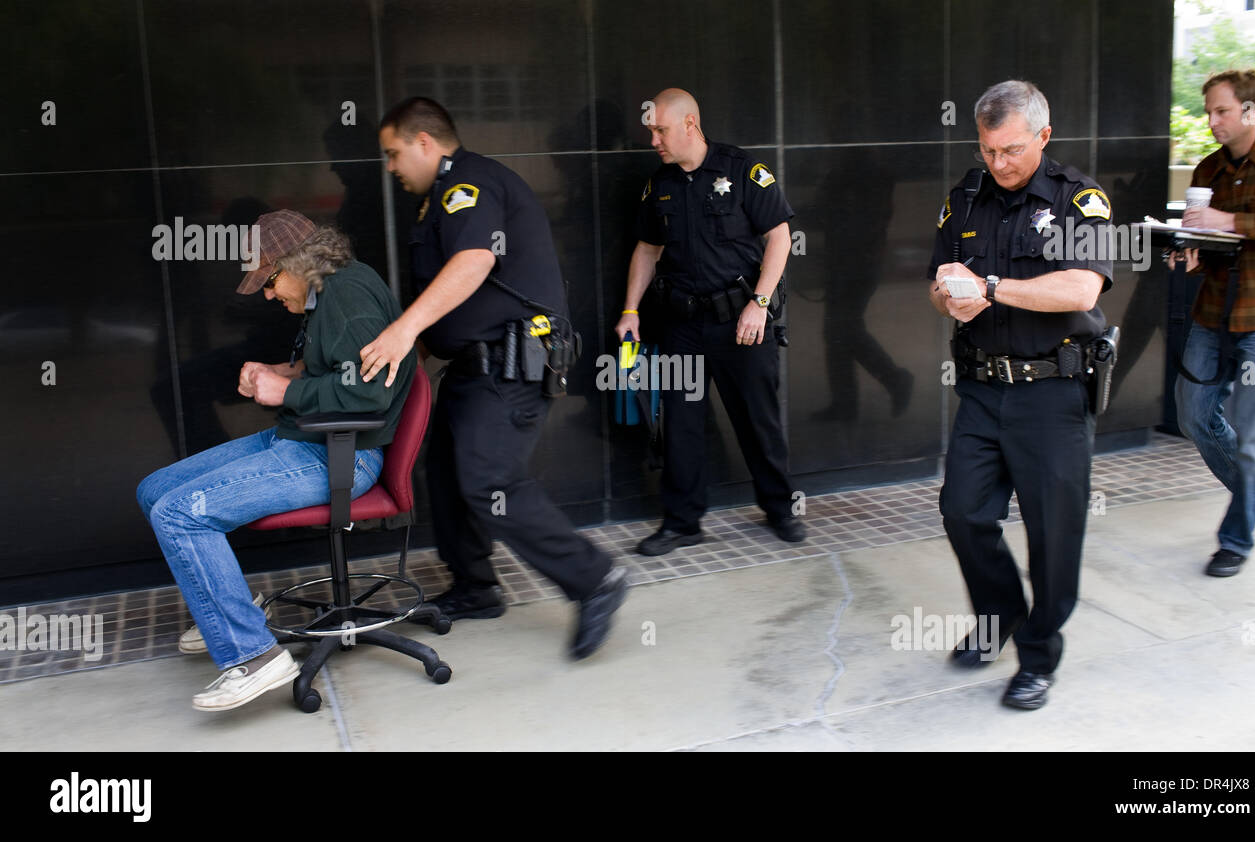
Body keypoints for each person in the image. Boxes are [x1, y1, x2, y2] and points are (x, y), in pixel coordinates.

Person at [361, 96, 625, 660]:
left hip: (513, 362)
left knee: (490, 480)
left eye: (393, 153)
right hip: (474, 366)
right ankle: (477, 587)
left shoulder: (469, 185)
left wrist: (403, 331)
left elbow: (474, 263)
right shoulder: (437, 202)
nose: (390, 168)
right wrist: (401, 355)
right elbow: (456, 302)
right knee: (449, 475)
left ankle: (594, 578)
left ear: (425, 142)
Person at [136, 210, 412, 711]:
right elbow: (333, 366)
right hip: (302, 438)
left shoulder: (348, 297)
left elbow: (371, 393)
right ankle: (230, 612)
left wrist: (285, 388)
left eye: (270, 281)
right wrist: (278, 371)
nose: (267, 295)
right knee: (155, 490)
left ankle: (255, 657)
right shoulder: (328, 293)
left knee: (180, 514)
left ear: (299, 261)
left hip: (342, 454)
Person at [928, 81, 1113, 710]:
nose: (998, 163)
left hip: (1054, 392)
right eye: (987, 150)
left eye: (1010, 150)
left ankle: (1039, 654)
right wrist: (952, 290)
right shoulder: (965, 198)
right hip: (983, 385)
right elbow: (942, 282)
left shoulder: (1080, 200)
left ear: (1043, 135)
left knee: (1053, 534)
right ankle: (1000, 613)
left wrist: (993, 285)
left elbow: (1083, 290)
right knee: (963, 511)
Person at [615, 87, 805, 556]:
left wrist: (759, 304)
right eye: (651, 131)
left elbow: (780, 238)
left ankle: (780, 509)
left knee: (757, 421)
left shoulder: (742, 171)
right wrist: (630, 311)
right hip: (681, 324)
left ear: (690, 125)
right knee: (681, 425)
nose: (653, 140)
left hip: (740, 323)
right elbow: (647, 249)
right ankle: (682, 523)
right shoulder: (658, 184)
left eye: (660, 130)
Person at [1172, 69, 1255, 578]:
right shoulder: (1206, 169)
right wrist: (1188, 251)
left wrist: (1230, 222)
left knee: (1254, 433)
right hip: (1215, 309)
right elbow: (1199, 239)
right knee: (1192, 412)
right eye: (1208, 112)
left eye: (1222, 111)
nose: (1212, 121)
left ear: (1252, 110)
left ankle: (1236, 539)